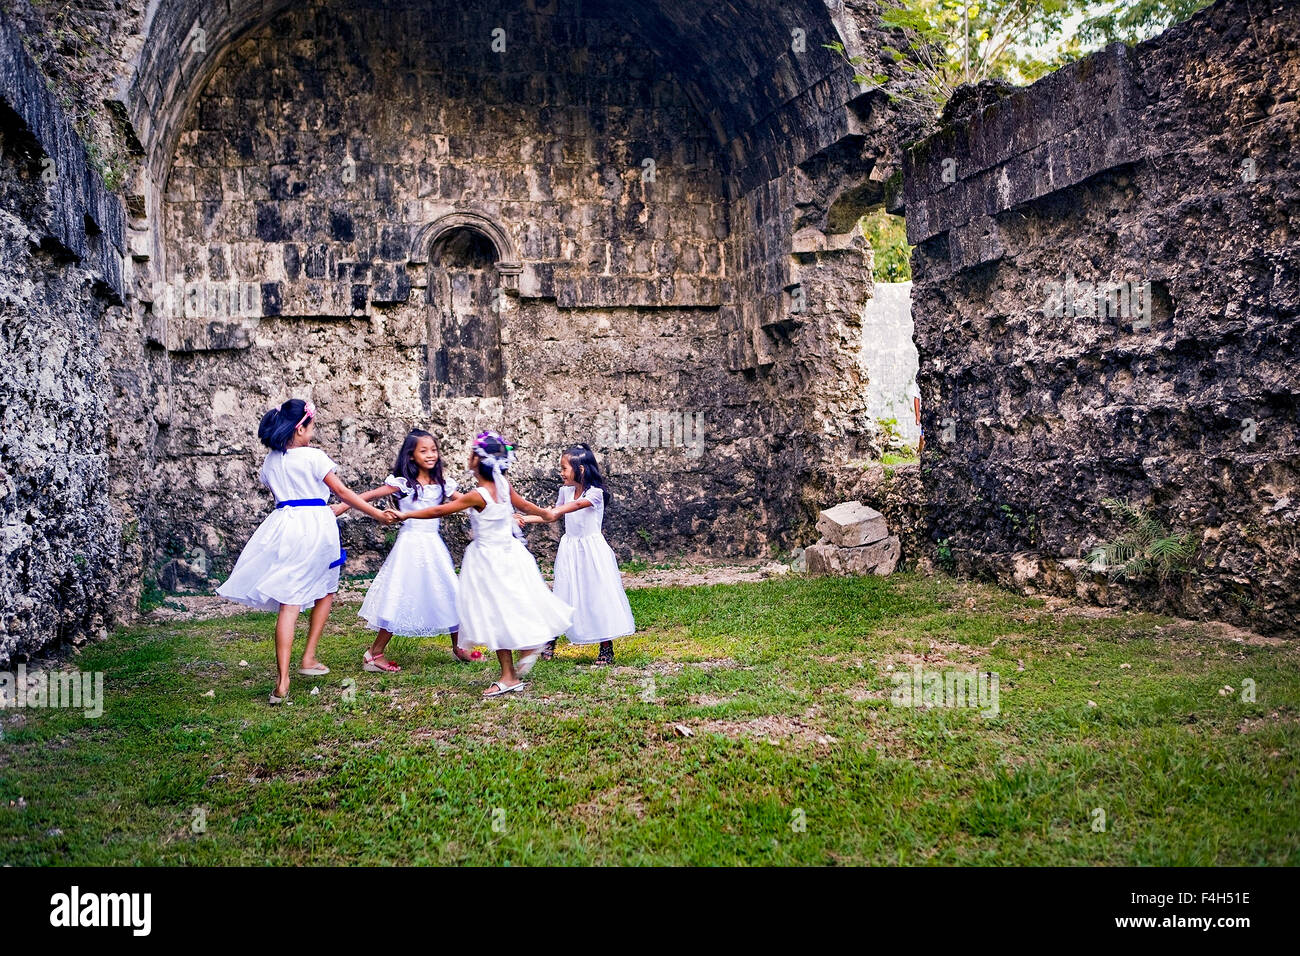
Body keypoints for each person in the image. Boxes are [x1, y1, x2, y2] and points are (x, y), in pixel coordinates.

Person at [217, 398, 396, 704]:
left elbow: (282, 491)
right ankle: (309, 656)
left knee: (290, 602)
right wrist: (377, 513)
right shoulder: (314, 457)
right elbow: (341, 492)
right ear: (300, 428)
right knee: (326, 590)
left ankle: (282, 679)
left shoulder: (270, 462)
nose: (314, 432)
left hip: (284, 525)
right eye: (312, 427)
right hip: (316, 526)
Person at [390, 431, 571, 697]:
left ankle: (519, 660)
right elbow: (525, 505)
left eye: (472, 453)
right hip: (512, 555)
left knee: (495, 614)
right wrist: (545, 513)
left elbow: (440, 510)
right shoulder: (503, 487)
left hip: (488, 560)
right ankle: (515, 664)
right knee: (509, 608)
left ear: (477, 459)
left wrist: (406, 513)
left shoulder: (479, 495)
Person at [342, 429, 468, 671]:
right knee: (400, 596)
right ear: (411, 456)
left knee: (450, 591)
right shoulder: (404, 484)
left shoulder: (442, 484)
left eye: (434, 450)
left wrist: (497, 510)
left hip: (433, 545)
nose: (431, 455)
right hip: (410, 546)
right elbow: (369, 495)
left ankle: (459, 646)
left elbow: (467, 502)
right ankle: (374, 653)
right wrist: (340, 506)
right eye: (424, 450)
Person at [522, 444, 634, 665]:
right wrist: (525, 518)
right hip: (570, 548)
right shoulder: (565, 491)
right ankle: (550, 639)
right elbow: (551, 517)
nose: (561, 473)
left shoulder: (595, 494)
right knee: (563, 591)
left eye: (564, 468)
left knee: (597, 595)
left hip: (592, 551)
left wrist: (530, 509)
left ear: (580, 470)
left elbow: (563, 510)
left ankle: (605, 646)